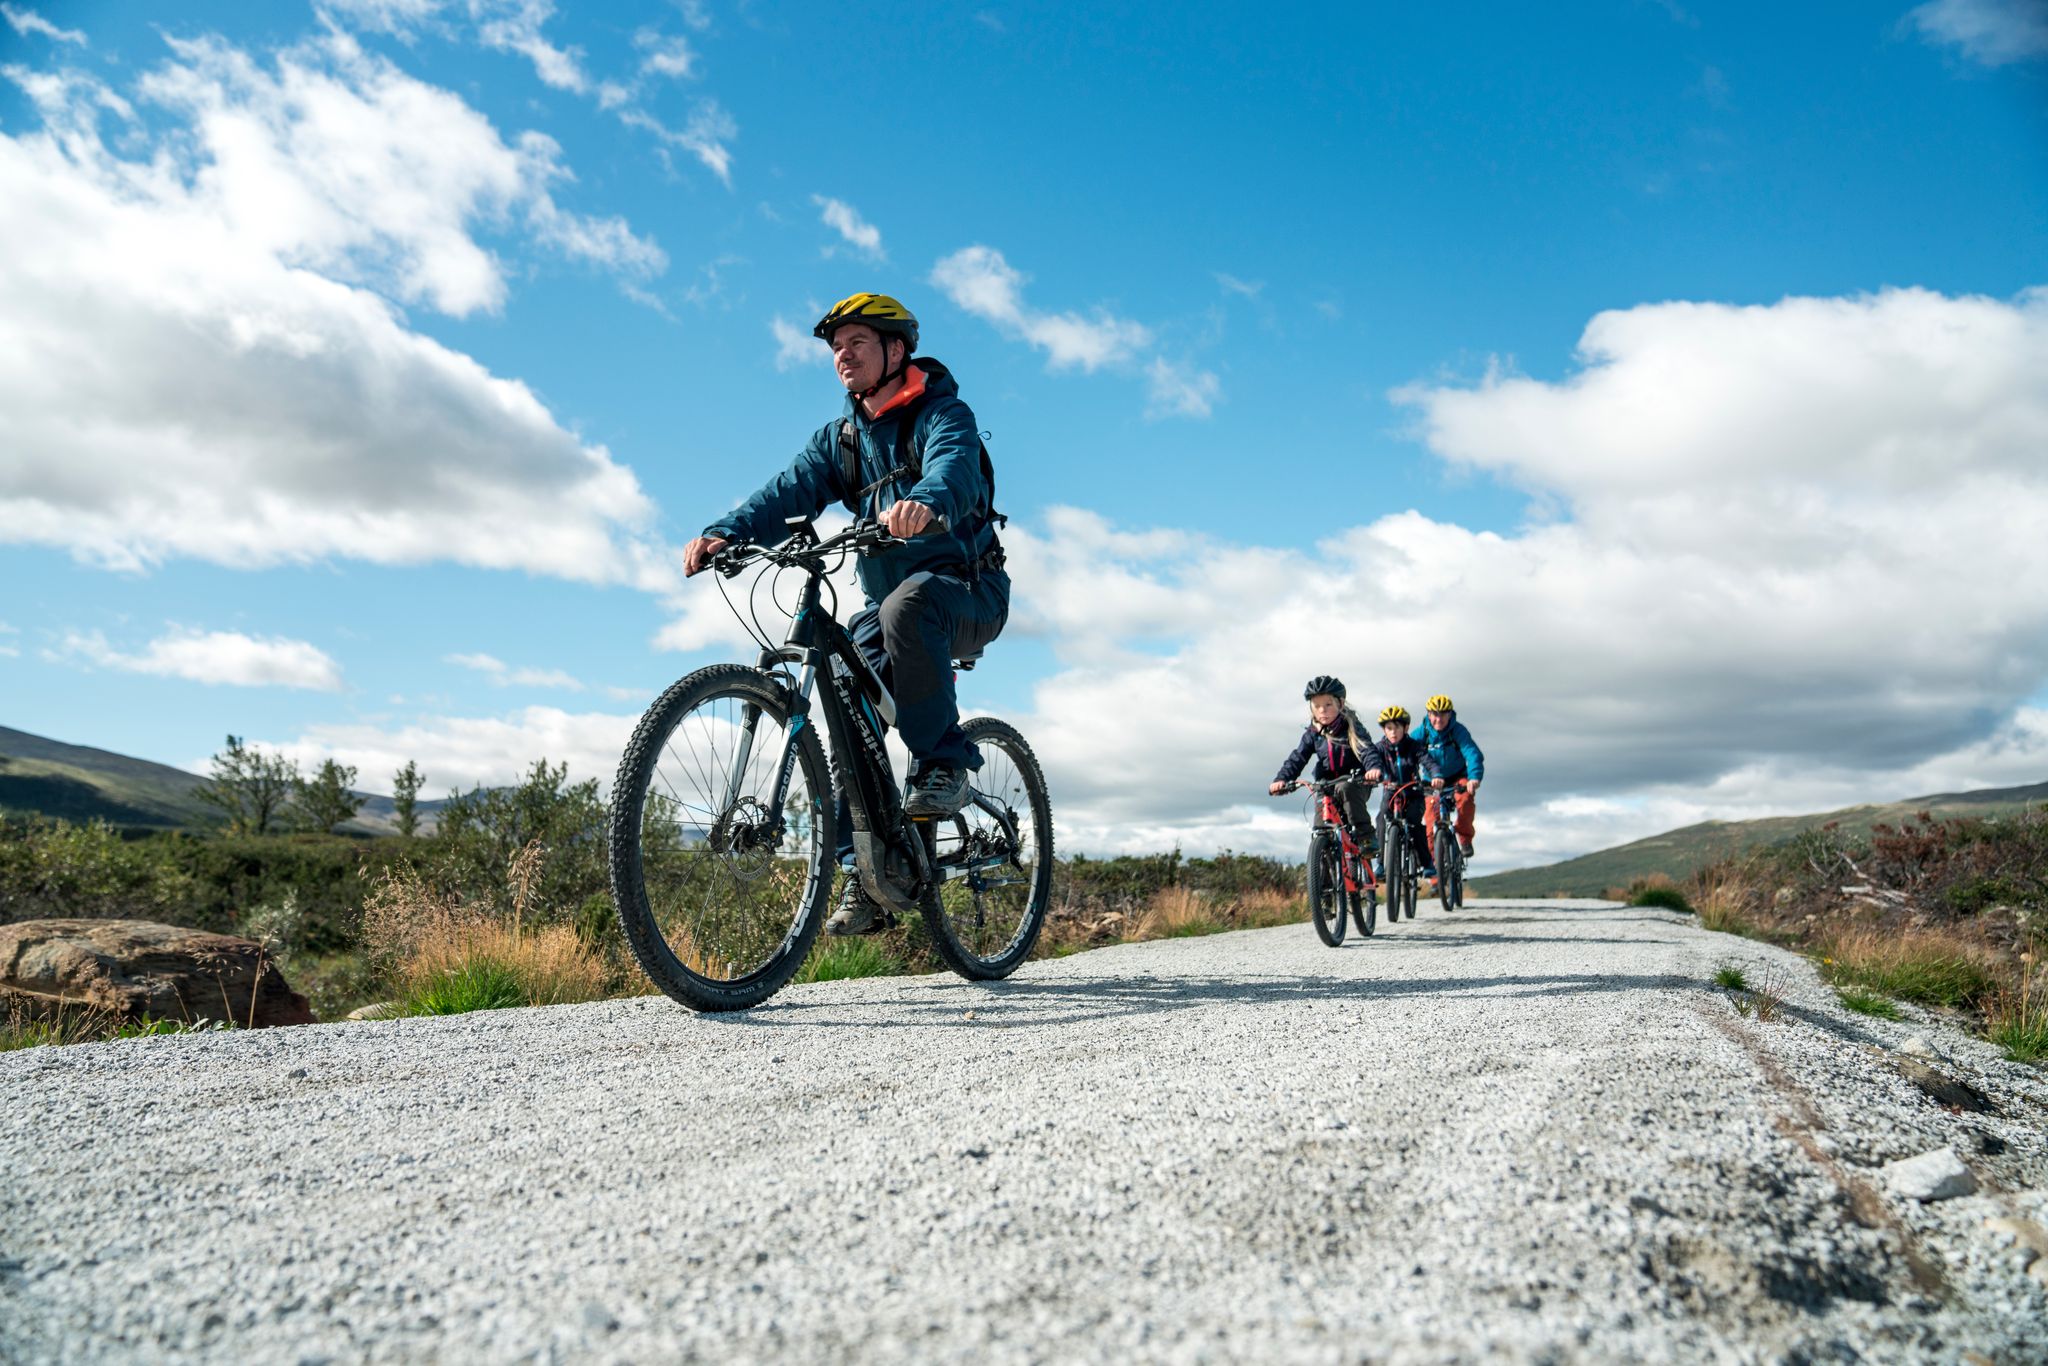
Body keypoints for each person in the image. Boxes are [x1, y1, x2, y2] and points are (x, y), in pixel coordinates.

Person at [682, 292, 1010, 934]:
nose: (843, 356)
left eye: (857, 342)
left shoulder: (942, 414)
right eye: (836, 347)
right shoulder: (843, 440)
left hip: (967, 590)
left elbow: (953, 468)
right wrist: (726, 531)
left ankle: (943, 762)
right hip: (887, 609)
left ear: (896, 349)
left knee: (908, 605)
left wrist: (925, 503)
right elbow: (786, 490)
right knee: (843, 703)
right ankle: (866, 872)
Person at [1268, 675, 1378, 853]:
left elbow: (1367, 750)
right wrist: (1282, 779)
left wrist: (1373, 769)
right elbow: (1298, 757)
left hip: (1355, 782)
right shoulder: (1313, 733)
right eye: (1317, 706)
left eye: (1328, 705)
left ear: (1340, 704)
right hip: (1326, 785)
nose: (1322, 710)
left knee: (1345, 788)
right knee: (1321, 828)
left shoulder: (1352, 727)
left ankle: (1366, 836)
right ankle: (1323, 864)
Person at [1362, 704, 1437, 882]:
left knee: (1414, 824)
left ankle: (1427, 863)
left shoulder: (1414, 746)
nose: (1393, 732)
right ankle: (1381, 864)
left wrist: (1436, 775)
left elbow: (1428, 761)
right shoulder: (1379, 748)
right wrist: (1370, 773)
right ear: (1384, 730)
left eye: (1397, 727)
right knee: (1381, 819)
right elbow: (1370, 761)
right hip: (1390, 792)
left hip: (1413, 792)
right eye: (1389, 728)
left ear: (1406, 728)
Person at [1418, 693, 1484, 859]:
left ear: (1450, 714)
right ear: (1429, 714)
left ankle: (1465, 838)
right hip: (1431, 782)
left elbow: (1472, 753)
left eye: (1443, 714)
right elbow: (1405, 750)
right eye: (1435, 714)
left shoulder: (1458, 731)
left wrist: (1474, 777)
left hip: (1457, 778)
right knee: (1430, 823)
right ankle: (1434, 870)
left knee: (1465, 800)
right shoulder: (1422, 733)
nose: (1438, 719)